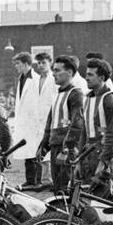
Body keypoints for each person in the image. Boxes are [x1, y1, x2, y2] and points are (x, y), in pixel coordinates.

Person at [37, 55, 86, 192]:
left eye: (58, 71)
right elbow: (50, 123)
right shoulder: (57, 95)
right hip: (55, 147)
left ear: (69, 72)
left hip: (66, 150)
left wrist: (67, 148)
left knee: (66, 188)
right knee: (57, 187)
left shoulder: (76, 94)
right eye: (54, 70)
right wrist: (44, 145)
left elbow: (77, 123)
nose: (53, 74)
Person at [10, 51, 53, 187]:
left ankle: (36, 180)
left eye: (18, 64)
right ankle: (30, 180)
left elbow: (39, 101)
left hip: (33, 122)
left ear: (26, 64)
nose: (16, 66)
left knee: (35, 153)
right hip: (24, 122)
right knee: (26, 152)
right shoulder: (20, 79)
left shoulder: (36, 79)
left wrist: (36, 121)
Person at [82, 57, 113, 180]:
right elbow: (84, 131)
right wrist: (79, 159)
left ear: (102, 78)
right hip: (89, 153)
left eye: (90, 75)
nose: (86, 78)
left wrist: (104, 161)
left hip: (105, 154)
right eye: (86, 74)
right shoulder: (87, 98)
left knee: (106, 195)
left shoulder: (110, 99)